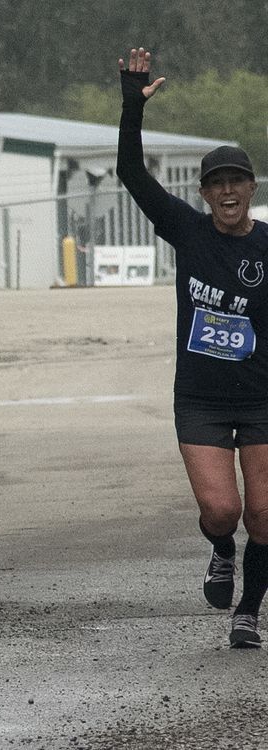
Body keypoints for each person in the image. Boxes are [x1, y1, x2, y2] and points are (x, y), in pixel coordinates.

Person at [117, 47, 268, 648]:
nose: (227, 192)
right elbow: (131, 173)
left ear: (252, 187)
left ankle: (248, 612)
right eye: (216, 184)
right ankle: (220, 552)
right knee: (224, 513)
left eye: (236, 182)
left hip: (261, 400)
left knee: (265, 516)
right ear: (204, 194)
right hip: (201, 400)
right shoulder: (187, 230)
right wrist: (132, 108)